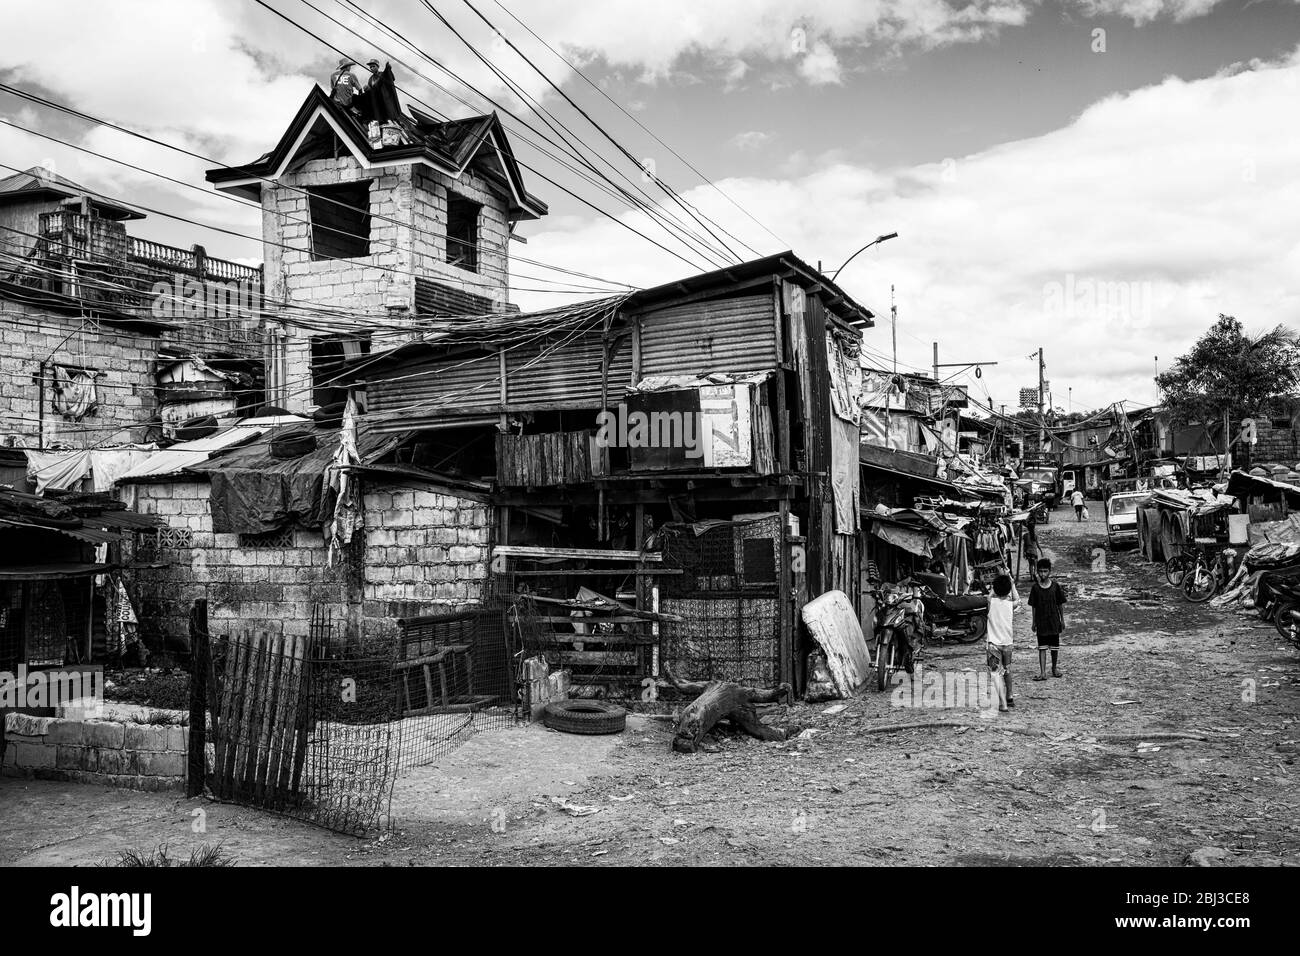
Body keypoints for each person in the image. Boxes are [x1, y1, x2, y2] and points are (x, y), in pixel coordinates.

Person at [985, 571, 1019, 713]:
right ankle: (1010, 695)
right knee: (1007, 669)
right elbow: (1018, 599)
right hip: (1007, 644)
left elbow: (989, 595)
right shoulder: (1011, 604)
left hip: (993, 644)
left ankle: (1003, 703)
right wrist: (1011, 583)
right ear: (1008, 591)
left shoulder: (991, 602)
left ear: (995, 588)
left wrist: (995, 586)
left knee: (995, 673)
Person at [1028, 557, 1067, 680]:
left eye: (1045, 571)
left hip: (1054, 621)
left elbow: (1060, 604)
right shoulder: (1035, 588)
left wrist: (1062, 620)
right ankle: (1043, 672)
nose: (1042, 574)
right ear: (1037, 572)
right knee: (1042, 647)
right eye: (1040, 571)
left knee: (1055, 647)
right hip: (1041, 621)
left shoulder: (1055, 587)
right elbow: (1033, 606)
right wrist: (1034, 622)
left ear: (1049, 571)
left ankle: (1054, 668)